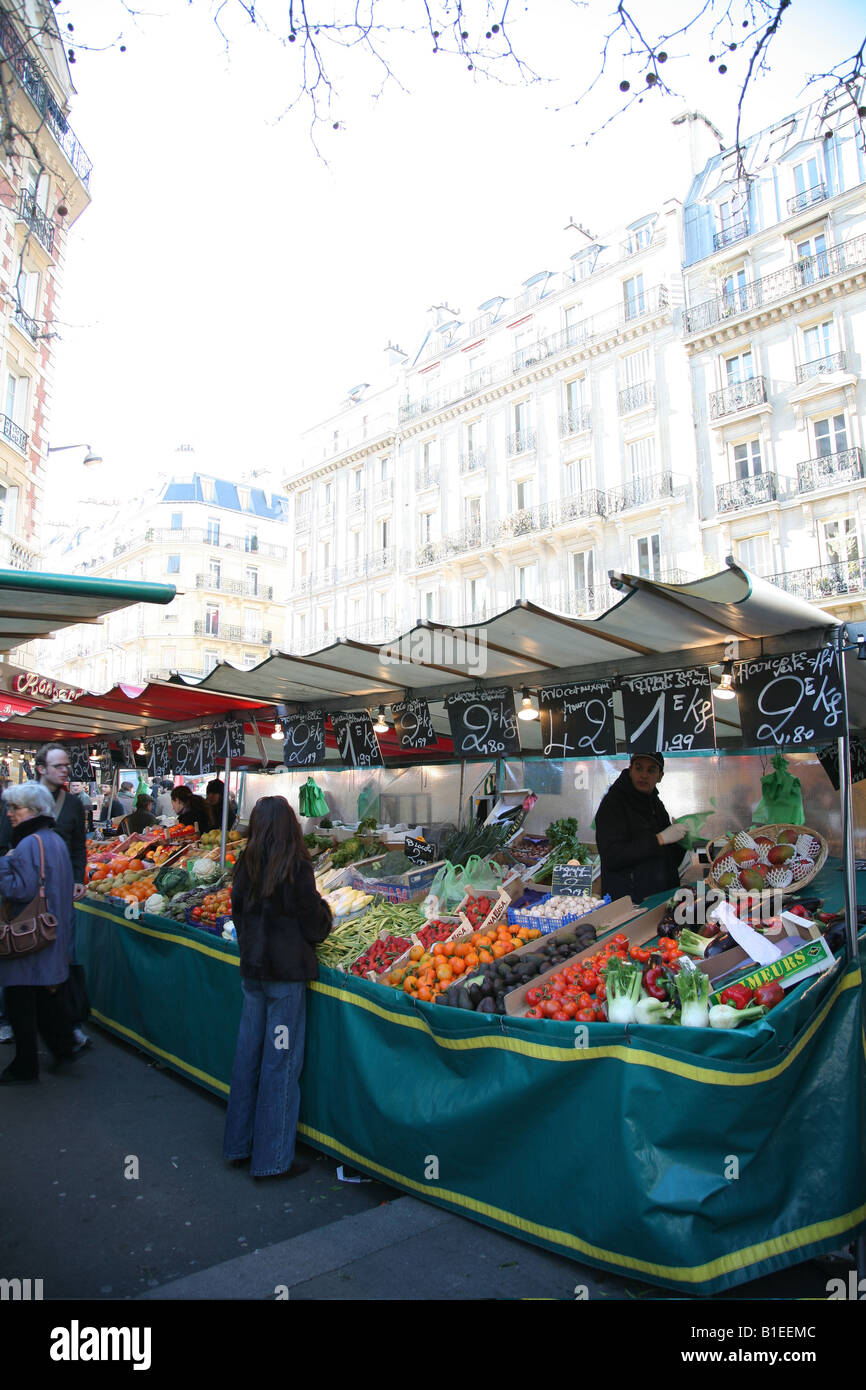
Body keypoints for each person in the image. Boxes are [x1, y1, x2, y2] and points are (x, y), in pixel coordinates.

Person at [223, 796, 332, 1178]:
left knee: (247, 1058)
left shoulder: (245, 863)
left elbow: (237, 915)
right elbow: (313, 924)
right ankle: (272, 1159)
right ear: (289, 826)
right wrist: (325, 914)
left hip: (253, 976)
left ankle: (238, 1145)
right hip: (284, 980)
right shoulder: (295, 866)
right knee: (280, 1064)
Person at [0, 781, 82, 1083]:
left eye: (16, 808)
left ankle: (25, 1065)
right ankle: (63, 1048)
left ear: (33, 810)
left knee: (20, 999)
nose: (10, 814)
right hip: (50, 930)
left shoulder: (27, 844)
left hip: (28, 935)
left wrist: (3, 865)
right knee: (44, 995)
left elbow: (19, 890)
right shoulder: (54, 839)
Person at [594, 752, 687, 904]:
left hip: (658, 898)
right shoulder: (613, 803)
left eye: (651, 770)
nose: (643, 775)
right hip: (629, 902)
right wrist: (659, 839)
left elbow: (668, 858)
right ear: (630, 771)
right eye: (639, 768)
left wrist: (682, 842)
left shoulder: (656, 804)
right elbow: (612, 856)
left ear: (660, 776)